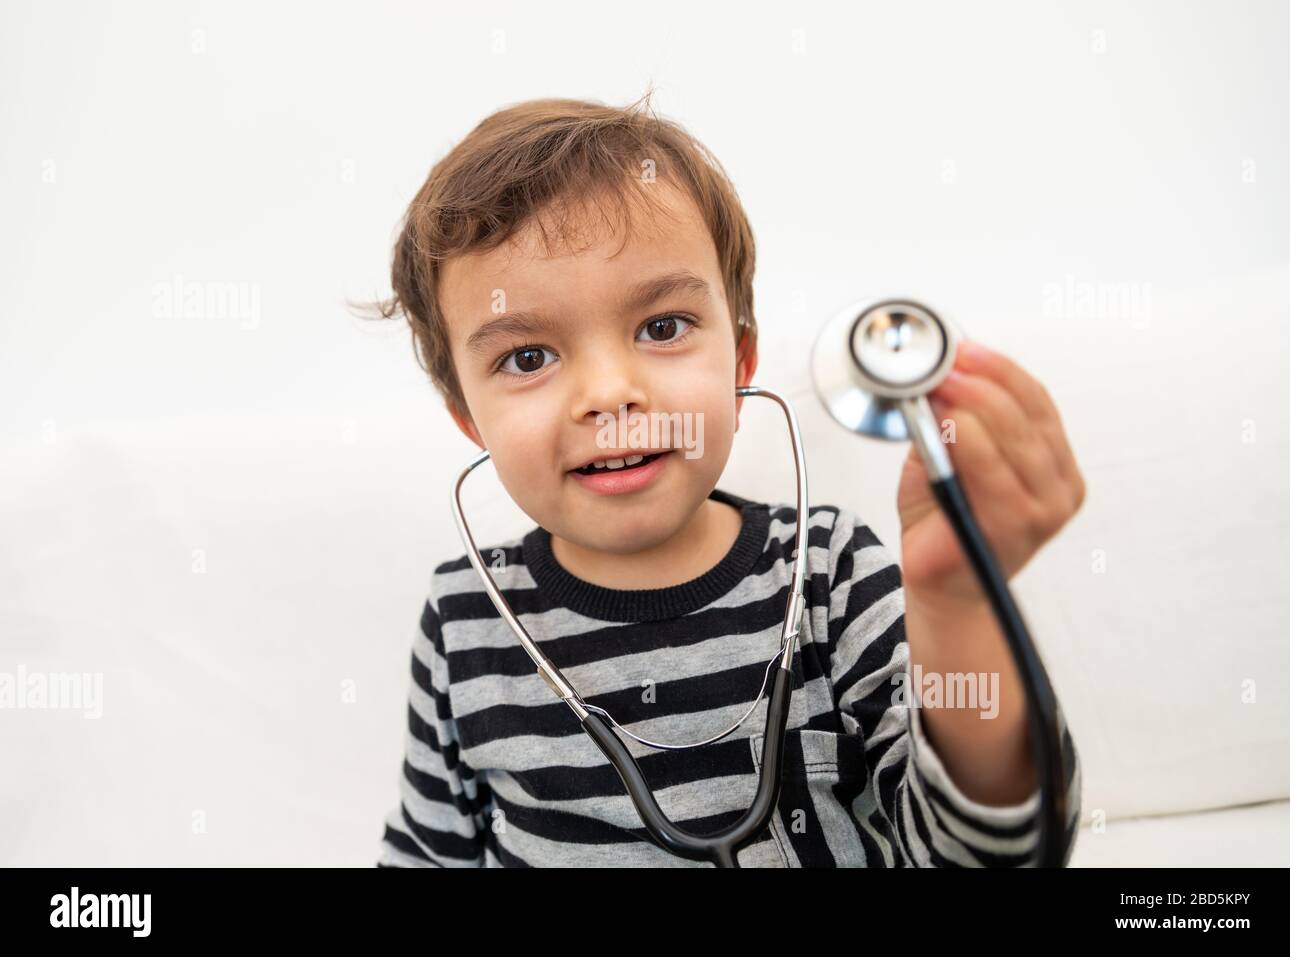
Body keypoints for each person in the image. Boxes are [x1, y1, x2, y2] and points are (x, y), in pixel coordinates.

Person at [366, 93, 1085, 867]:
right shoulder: (463, 622)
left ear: (741, 363)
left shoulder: (829, 575)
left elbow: (989, 854)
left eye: (662, 327)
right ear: (470, 421)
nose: (609, 393)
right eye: (528, 357)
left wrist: (959, 601)